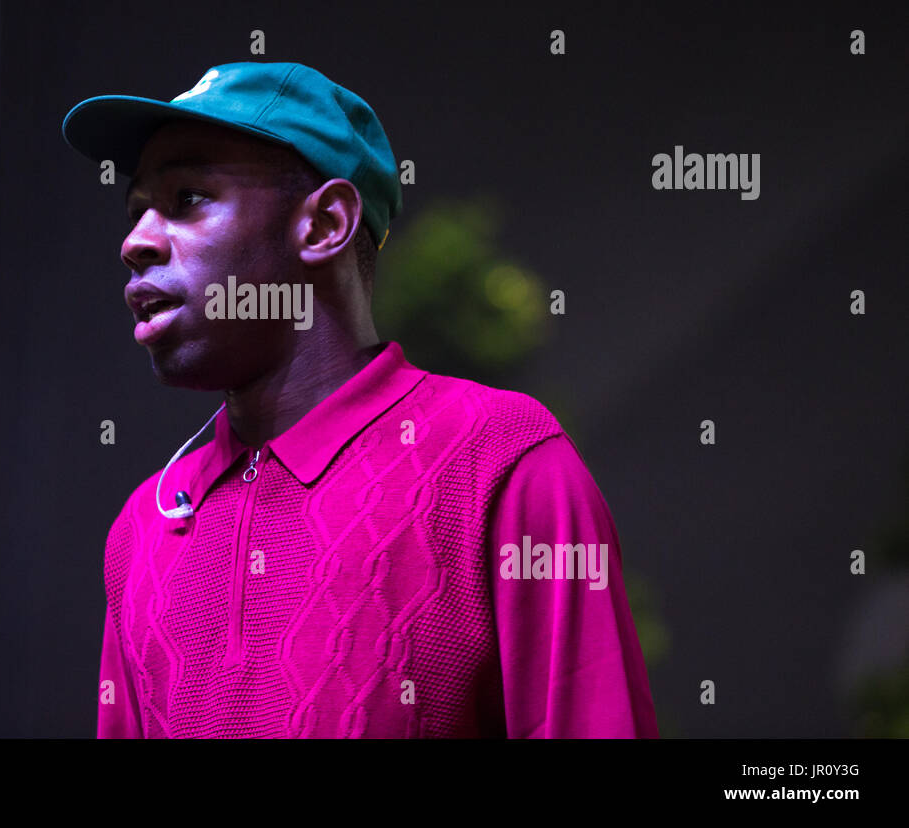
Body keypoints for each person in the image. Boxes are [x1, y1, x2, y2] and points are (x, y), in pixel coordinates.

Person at [61, 61, 659, 737]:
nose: (135, 242)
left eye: (188, 198)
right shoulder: (143, 529)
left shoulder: (500, 461)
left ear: (323, 226)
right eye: (137, 209)